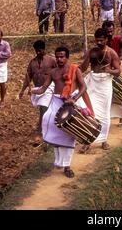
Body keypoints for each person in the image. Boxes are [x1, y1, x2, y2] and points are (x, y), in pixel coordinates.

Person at [31, 46, 89, 178]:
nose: (59, 59)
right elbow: (44, 88)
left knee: (69, 133)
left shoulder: (75, 69)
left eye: (62, 56)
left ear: (67, 57)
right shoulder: (53, 72)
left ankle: (67, 166)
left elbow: (83, 86)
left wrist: (74, 99)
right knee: (50, 124)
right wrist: (34, 91)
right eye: (57, 56)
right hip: (56, 101)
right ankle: (58, 161)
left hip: (70, 103)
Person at [79, 28, 120, 152]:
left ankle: (103, 140)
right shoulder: (92, 51)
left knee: (104, 113)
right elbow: (83, 67)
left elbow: (118, 71)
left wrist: (109, 71)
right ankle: (88, 141)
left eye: (102, 40)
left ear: (106, 40)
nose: (99, 43)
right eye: (97, 40)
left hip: (105, 84)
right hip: (93, 82)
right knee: (90, 111)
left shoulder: (112, 53)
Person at [19, 40, 57, 134]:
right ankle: (42, 126)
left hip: (49, 87)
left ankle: (43, 128)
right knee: (42, 108)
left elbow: (58, 72)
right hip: (38, 88)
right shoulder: (32, 62)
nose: (38, 52)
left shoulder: (51, 60)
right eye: (36, 51)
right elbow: (28, 77)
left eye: (40, 50)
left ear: (44, 49)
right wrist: (22, 90)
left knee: (44, 107)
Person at [102, 20, 122, 127]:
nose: (110, 33)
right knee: (108, 94)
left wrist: (120, 58)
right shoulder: (102, 42)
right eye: (107, 31)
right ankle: (107, 118)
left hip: (119, 68)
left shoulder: (119, 39)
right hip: (107, 71)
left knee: (120, 92)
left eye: (111, 31)